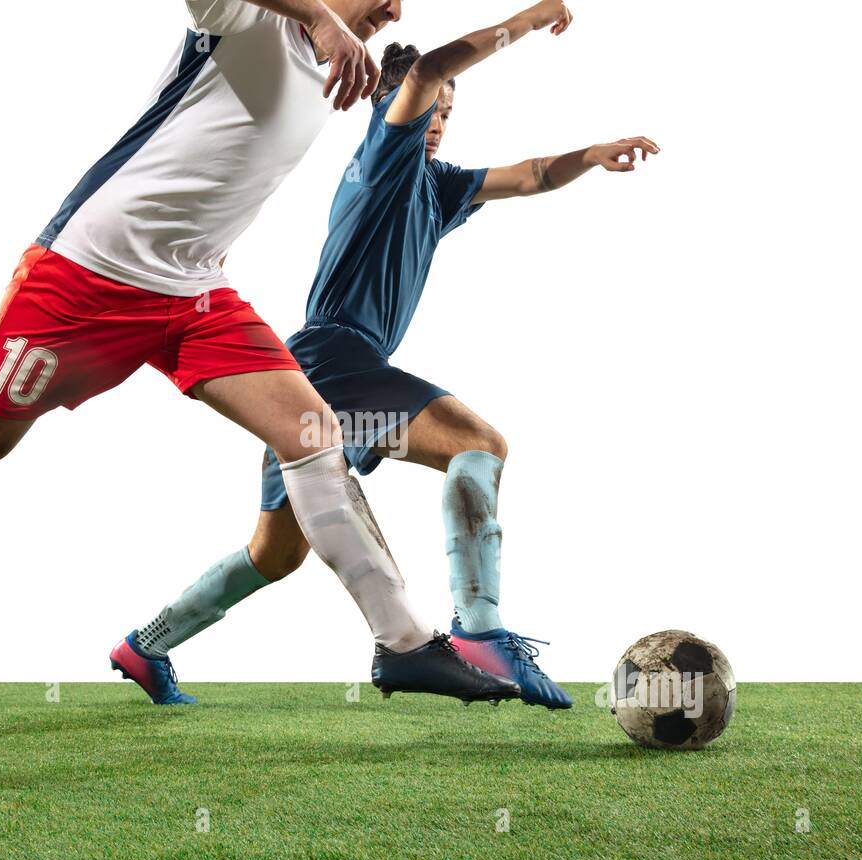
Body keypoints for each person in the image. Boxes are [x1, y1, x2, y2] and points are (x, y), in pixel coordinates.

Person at [0, 0, 523, 757]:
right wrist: (322, 17)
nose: (395, 8)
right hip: (86, 279)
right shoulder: (241, 22)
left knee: (312, 432)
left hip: (194, 295)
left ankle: (401, 641)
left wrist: (349, 33)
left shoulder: (336, 69)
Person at [117, 0, 660, 709]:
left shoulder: (436, 188)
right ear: (391, 104)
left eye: (447, 115)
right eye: (431, 107)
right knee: (478, 443)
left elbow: (528, 176)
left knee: (274, 555)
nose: (437, 121)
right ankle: (482, 629)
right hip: (334, 358)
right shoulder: (385, 154)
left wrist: (589, 156)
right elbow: (430, 68)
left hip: (309, 377)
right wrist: (528, 21)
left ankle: (145, 644)